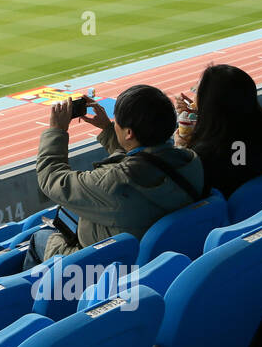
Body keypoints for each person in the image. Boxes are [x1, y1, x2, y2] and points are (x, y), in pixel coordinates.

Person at [25, 84, 206, 266]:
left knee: (39, 238)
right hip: (158, 257)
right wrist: (108, 129)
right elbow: (142, 161)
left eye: (117, 120)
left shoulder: (113, 183)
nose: (115, 123)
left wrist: (57, 130)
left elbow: (52, 179)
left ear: (128, 133)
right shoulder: (190, 162)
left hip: (108, 264)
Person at [174, 64, 262, 198]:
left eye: (197, 91)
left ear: (211, 103)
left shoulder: (205, 152)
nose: (195, 96)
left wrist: (181, 148)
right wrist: (200, 113)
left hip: (229, 215)